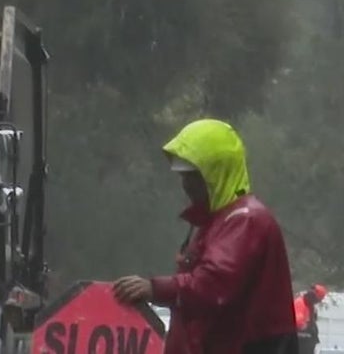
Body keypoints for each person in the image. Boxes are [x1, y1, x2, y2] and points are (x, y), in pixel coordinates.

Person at [111, 119, 298, 354]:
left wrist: (154, 289)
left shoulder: (245, 220)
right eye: (183, 176)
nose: (186, 185)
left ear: (217, 172)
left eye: (193, 175)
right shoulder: (218, 222)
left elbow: (212, 285)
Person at [294, 284, 328, 354]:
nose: (317, 302)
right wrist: (304, 325)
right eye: (317, 300)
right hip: (301, 342)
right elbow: (298, 322)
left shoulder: (310, 306)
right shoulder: (300, 303)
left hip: (308, 342)